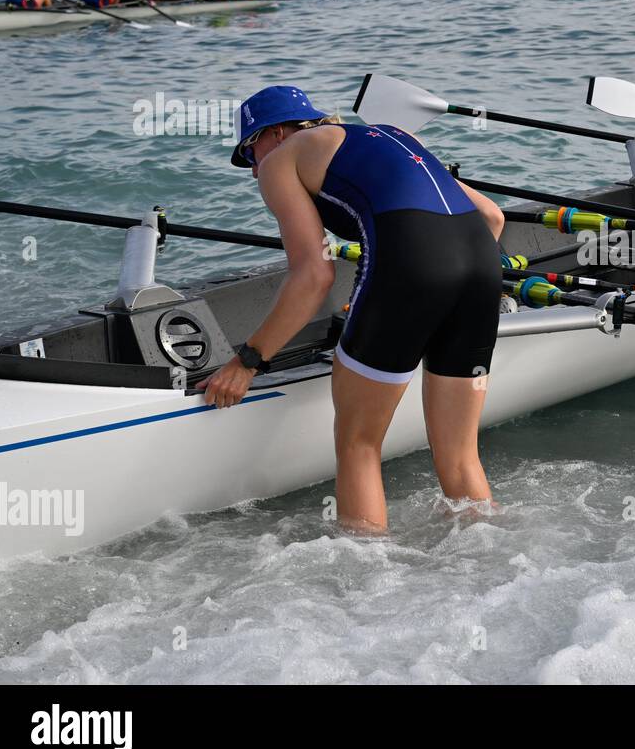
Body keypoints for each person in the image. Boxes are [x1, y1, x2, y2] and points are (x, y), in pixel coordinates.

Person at [198, 86, 506, 533]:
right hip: (481, 271)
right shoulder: (393, 135)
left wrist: (247, 362)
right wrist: (426, 297)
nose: (253, 170)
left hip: (410, 270)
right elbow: (493, 217)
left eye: (250, 152)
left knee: (359, 445)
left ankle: (365, 582)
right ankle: (489, 554)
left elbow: (313, 276)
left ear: (276, 133)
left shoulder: (282, 159)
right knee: (459, 454)